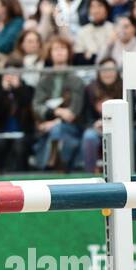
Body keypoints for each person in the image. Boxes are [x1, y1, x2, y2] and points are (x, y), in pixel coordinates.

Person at [32, 36, 84, 171]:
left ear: (68, 53)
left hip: (70, 127)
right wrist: (57, 112)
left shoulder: (76, 80)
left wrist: (55, 122)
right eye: (56, 49)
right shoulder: (43, 80)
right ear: (50, 53)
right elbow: (37, 106)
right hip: (44, 125)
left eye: (63, 49)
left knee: (58, 130)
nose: (59, 52)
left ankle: (52, 167)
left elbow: (73, 112)